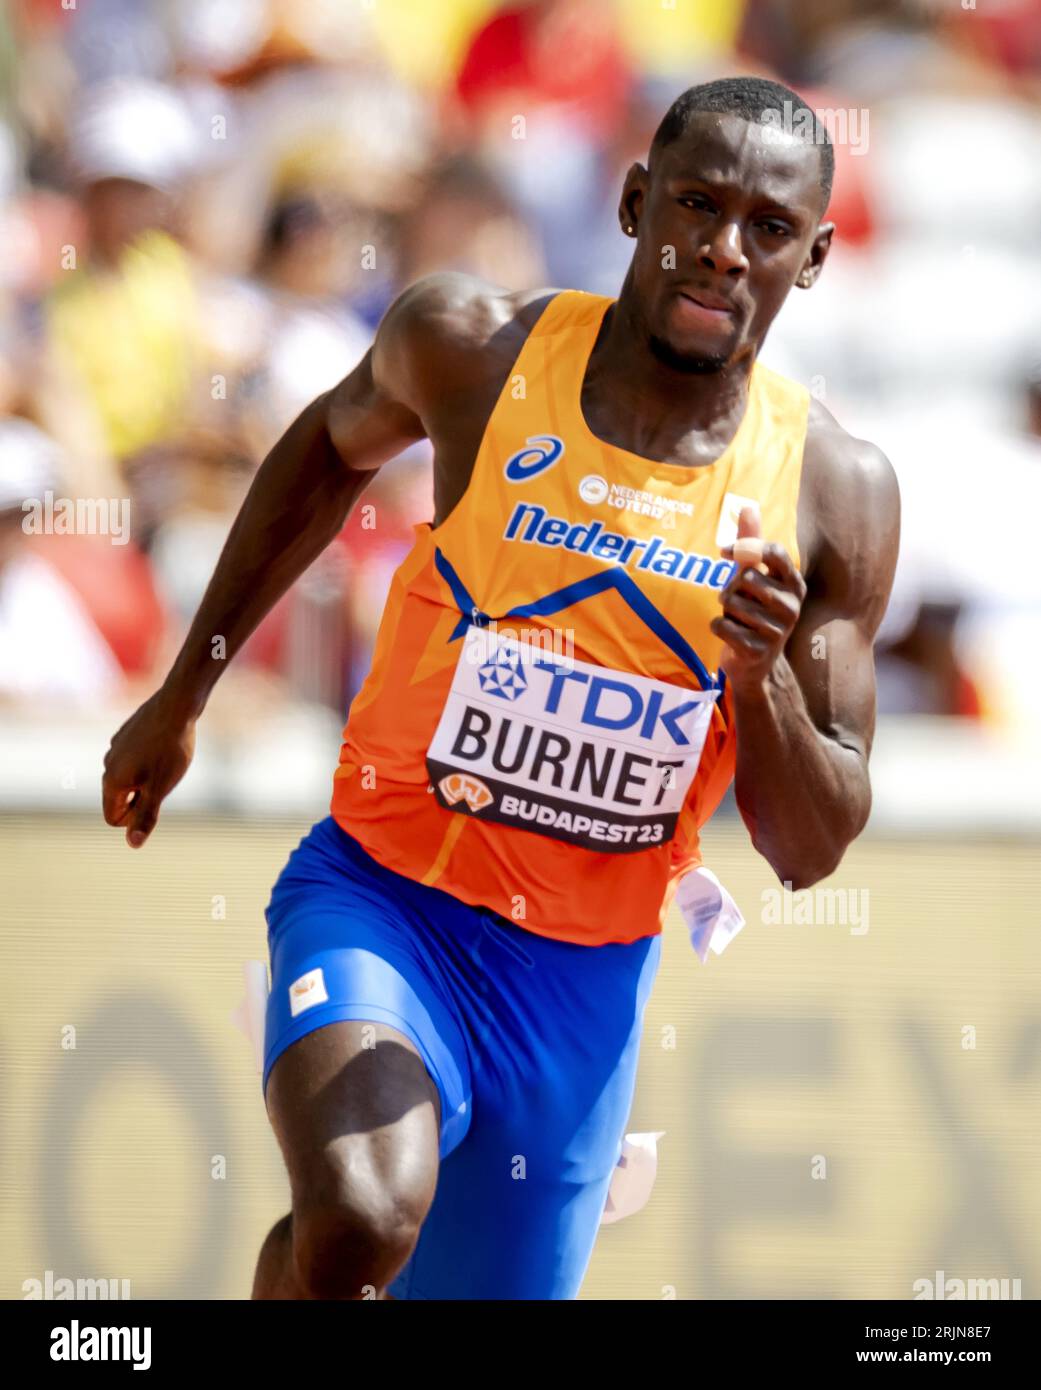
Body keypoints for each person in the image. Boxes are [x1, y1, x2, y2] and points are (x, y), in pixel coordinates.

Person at [102, 76, 900, 1300]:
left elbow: (811, 845)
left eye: (769, 229)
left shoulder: (834, 492)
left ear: (818, 257)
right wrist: (186, 690)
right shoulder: (475, 348)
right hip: (386, 895)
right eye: (695, 204)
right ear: (635, 203)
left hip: (578, 981)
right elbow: (325, 447)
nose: (724, 251)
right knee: (364, 1217)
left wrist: (760, 681)